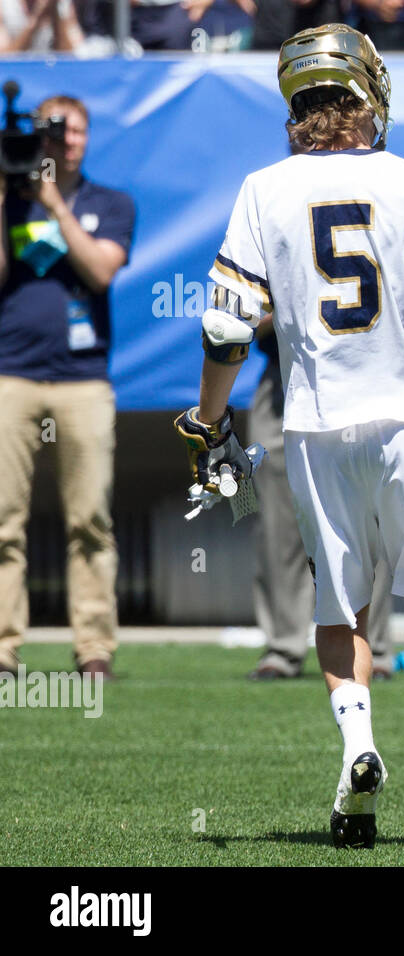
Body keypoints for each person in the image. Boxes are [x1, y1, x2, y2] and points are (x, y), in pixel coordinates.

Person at [175, 23, 404, 848]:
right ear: (369, 94)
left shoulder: (262, 188)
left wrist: (208, 420)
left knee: (339, 603)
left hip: (312, 423)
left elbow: (226, 329)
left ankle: (358, 754)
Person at [0, 95, 134, 681]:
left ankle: (93, 649)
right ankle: (3, 651)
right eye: (53, 131)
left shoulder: (111, 202)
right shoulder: (8, 200)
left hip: (83, 382)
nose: (64, 141)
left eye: (74, 130)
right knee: (3, 521)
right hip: (11, 375)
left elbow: (100, 270)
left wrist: (54, 205)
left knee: (90, 519)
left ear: (86, 137)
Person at [245, 319, 396, 681]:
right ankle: (283, 646)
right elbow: (245, 315)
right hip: (288, 374)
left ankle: (373, 648)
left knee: (369, 516)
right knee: (279, 523)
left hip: (363, 372)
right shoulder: (268, 257)